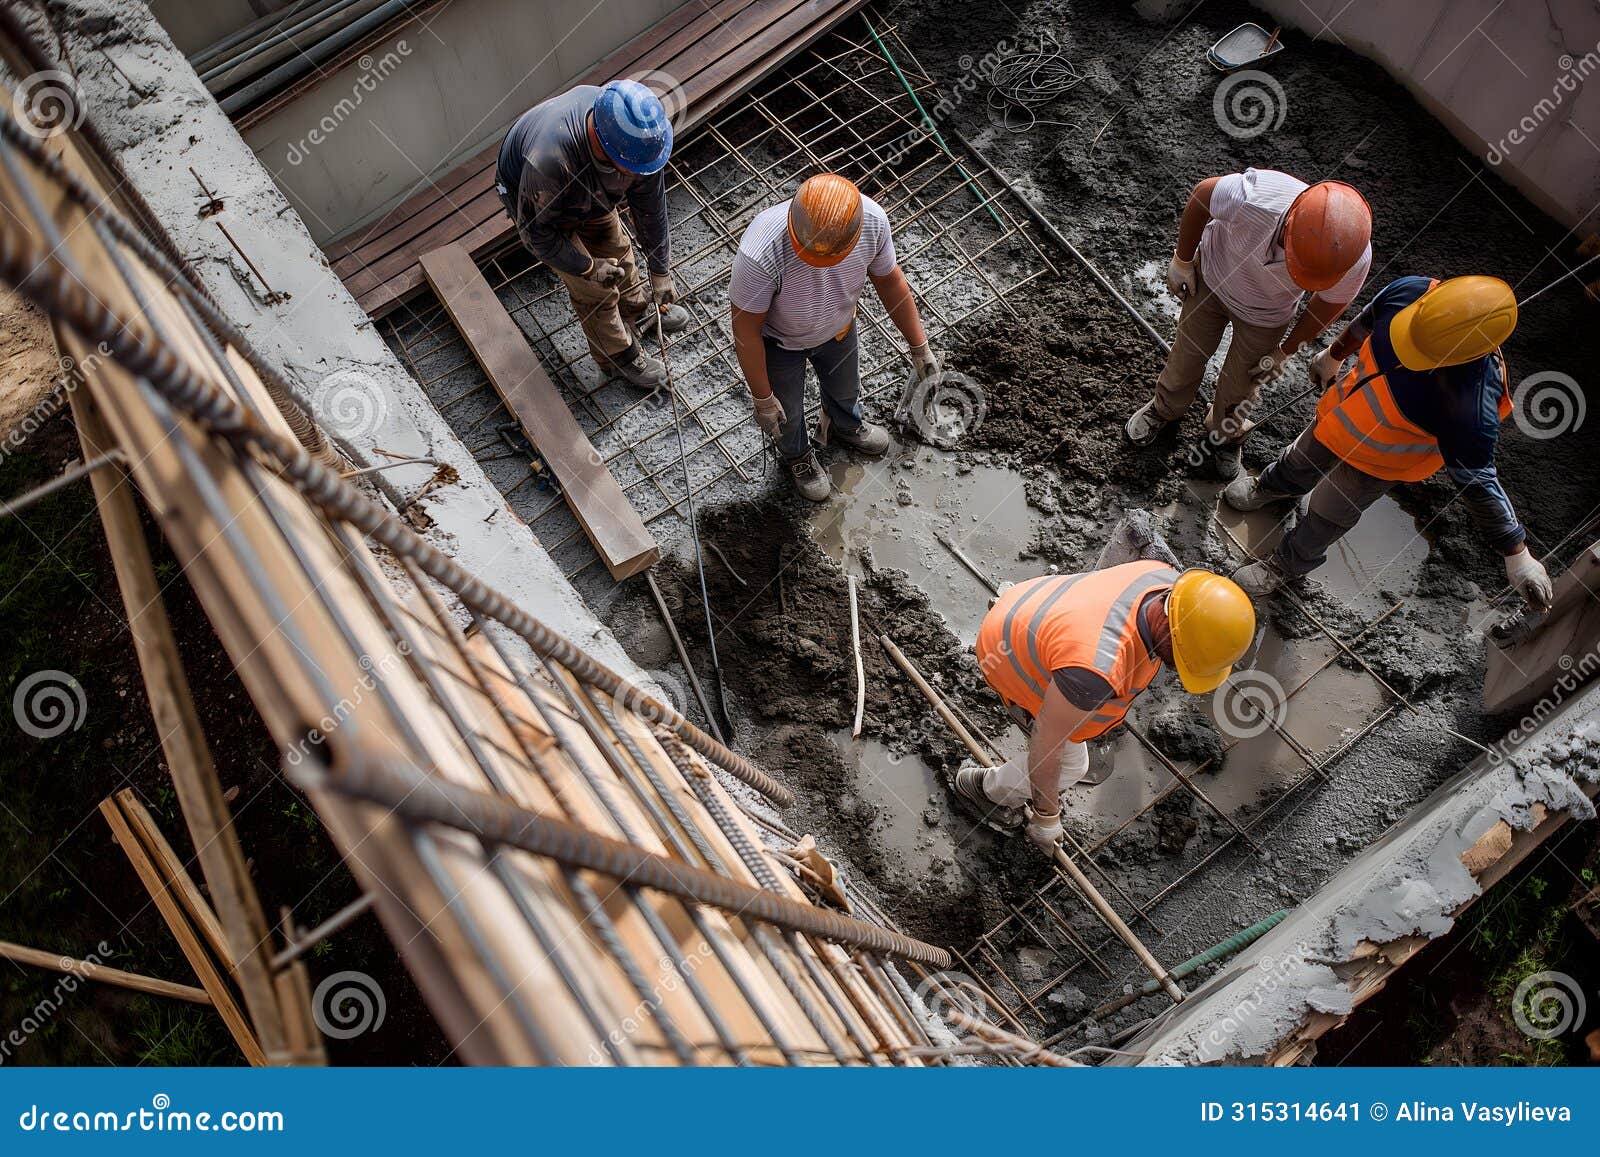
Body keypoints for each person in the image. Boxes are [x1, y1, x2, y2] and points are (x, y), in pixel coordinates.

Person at [1222, 274, 1554, 611]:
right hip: (1342, 414)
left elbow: (1478, 478)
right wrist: (1334, 356)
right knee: (1302, 456)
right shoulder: (1411, 291)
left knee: (1328, 511)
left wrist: (1517, 553)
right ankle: (1274, 488)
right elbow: (1367, 319)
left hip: (1378, 462)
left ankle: (1287, 565)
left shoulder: (1471, 402)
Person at [952, 562, 1255, 848]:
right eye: (1184, 659)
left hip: (1031, 605)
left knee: (1077, 706)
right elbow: (1046, 746)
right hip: (1005, 654)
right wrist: (1046, 817)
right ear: (1170, 629)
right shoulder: (1095, 670)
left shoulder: (1164, 580)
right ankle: (984, 791)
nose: (1179, 668)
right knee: (1073, 766)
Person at [1125, 169, 1373, 480]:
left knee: (1243, 383)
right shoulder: (1254, 199)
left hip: (1266, 314)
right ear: (1290, 224)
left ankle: (1224, 434)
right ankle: (1165, 408)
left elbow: (1328, 304)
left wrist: (1285, 352)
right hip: (1212, 280)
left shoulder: (1350, 257)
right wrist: (1182, 260)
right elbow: (1203, 194)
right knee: (1187, 354)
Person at [729, 173, 940, 501]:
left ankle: (845, 425)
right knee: (787, 414)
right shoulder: (761, 251)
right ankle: (798, 456)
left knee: (845, 388)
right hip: (779, 343)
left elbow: (891, 283)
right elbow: (745, 330)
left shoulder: (871, 222)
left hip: (838, 328)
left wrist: (919, 347)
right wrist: (761, 397)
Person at [497, 79, 688, 390]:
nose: (638, 175)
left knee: (618, 251)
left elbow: (651, 208)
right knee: (593, 289)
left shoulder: (638, 142)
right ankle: (618, 356)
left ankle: (636, 313)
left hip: (589, 187)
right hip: (541, 202)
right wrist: (587, 267)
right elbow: (538, 236)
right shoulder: (550, 161)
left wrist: (660, 269)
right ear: (602, 145)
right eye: (630, 170)